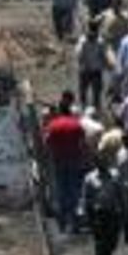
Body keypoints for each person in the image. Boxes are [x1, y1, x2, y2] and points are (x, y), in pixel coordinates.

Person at [80, 131, 128, 255]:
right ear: (96, 164)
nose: (103, 165)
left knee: (112, 241)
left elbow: (121, 194)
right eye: (100, 163)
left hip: (113, 213)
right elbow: (85, 197)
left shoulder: (115, 175)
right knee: (100, 242)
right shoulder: (90, 178)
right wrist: (84, 213)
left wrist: (125, 209)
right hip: (98, 214)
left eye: (105, 162)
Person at [41, 94, 89, 234]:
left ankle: (62, 223)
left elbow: (46, 143)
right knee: (74, 190)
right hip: (74, 160)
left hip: (58, 161)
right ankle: (74, 222)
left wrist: (47, 157)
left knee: (60, 190)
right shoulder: (76, 124)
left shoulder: (53, 125)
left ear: (59, 111)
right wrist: (85, 159)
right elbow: (83, 145)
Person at [75, 23, 110, 113]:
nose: (92, 36)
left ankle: (95, 108)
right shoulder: (83, 41)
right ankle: (84, 107)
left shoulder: (99, 42)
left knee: (96, 91)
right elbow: (79, 55)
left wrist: (105, 64)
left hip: (94, 70)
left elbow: (104, 55)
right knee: (84, 90)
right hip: (87, 70)